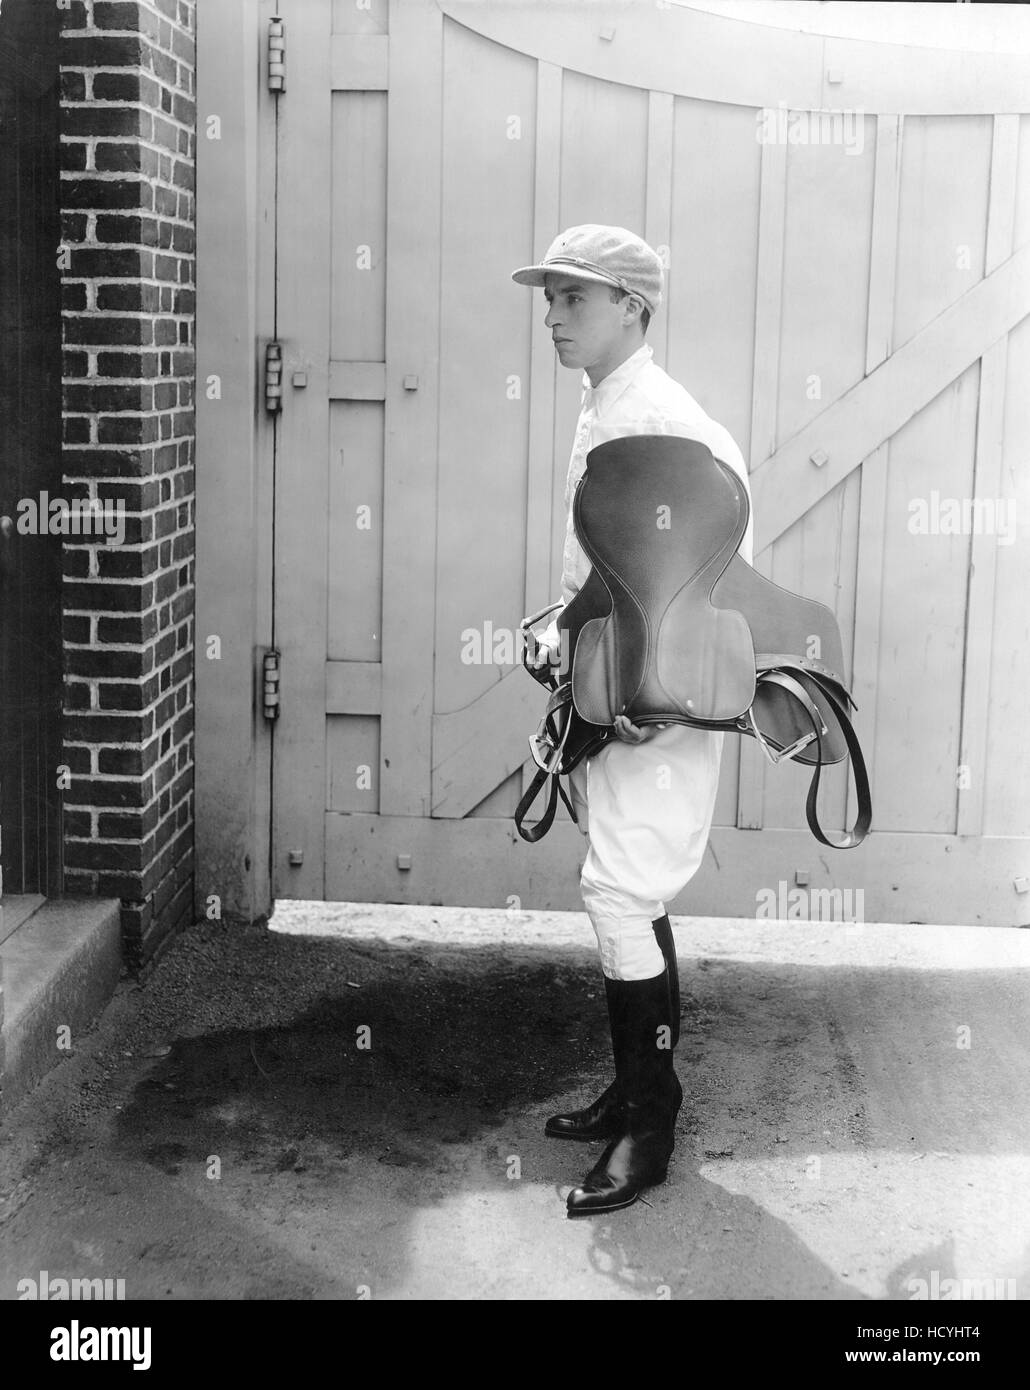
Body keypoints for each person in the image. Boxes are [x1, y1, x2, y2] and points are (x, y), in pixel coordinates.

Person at [511, 225, 754, 1217]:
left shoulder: (653, 416)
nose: (554, 314)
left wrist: (646, 687)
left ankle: (649, 1123)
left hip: (653, 696)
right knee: (632, 885)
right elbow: (610, 560)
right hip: (620, 675)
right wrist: (557, 629)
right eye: (552, 296)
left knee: (617, 891)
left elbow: (693, 566)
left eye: (576, 297)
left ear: (633, 310)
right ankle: (635, 1087)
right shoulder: (613, 403)